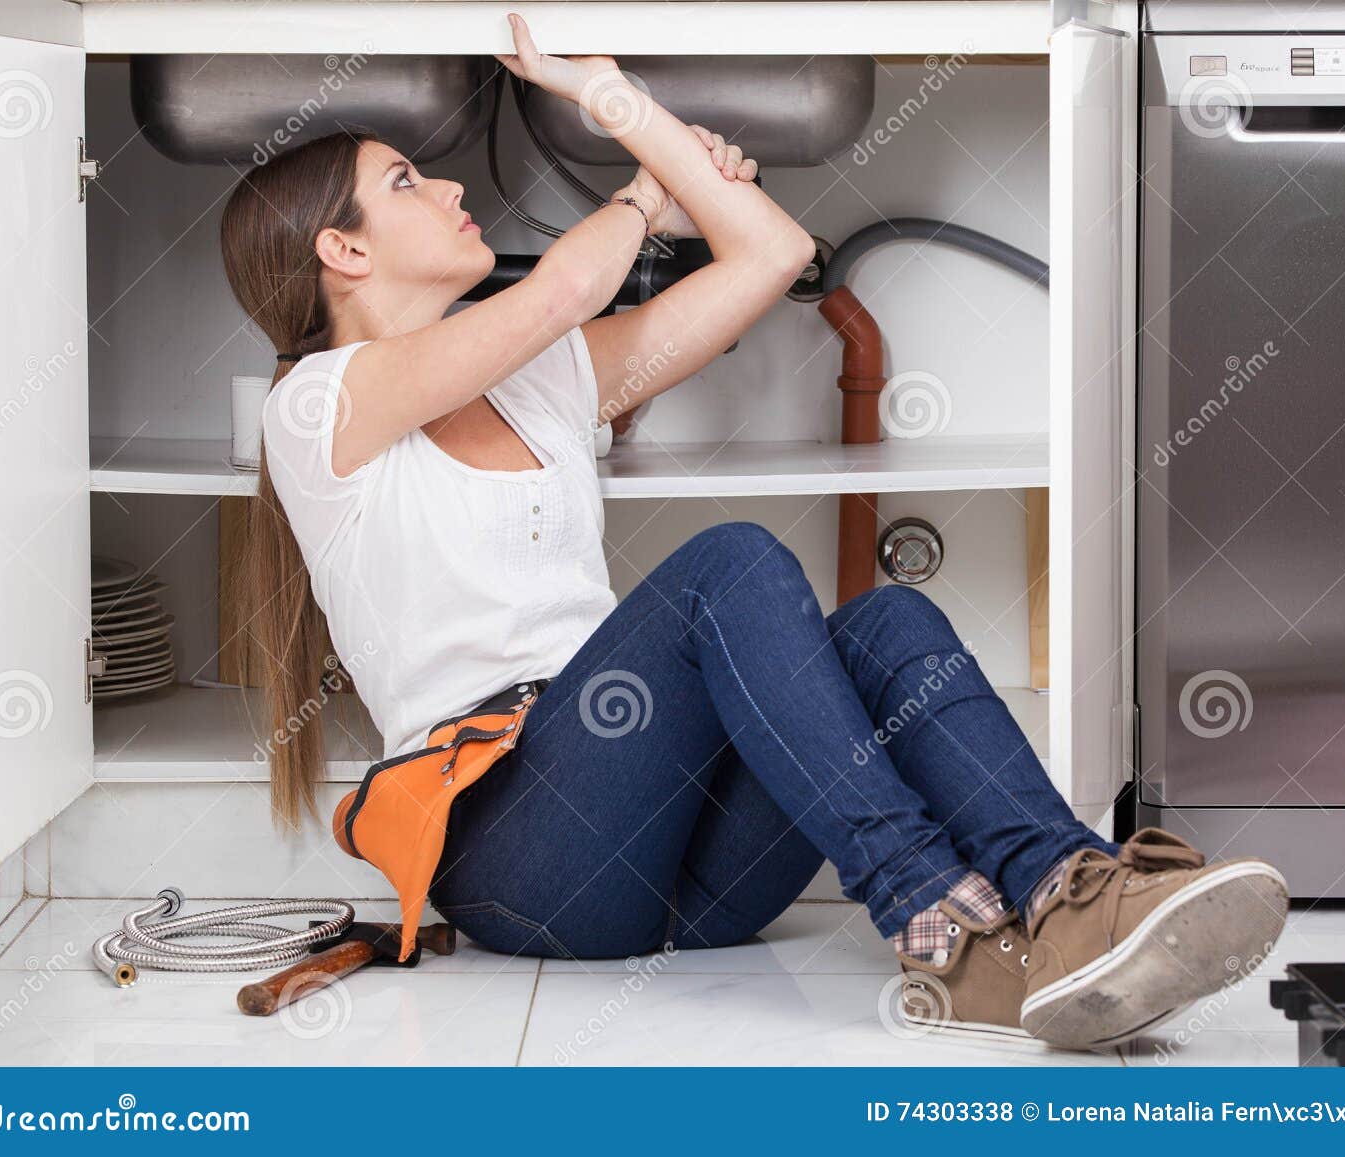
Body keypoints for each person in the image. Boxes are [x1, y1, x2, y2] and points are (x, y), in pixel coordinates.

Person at [219, 12, 1288, 1050]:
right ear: (341, 250)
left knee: (887, 625)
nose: (452, 188)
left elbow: (770, 252)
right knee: (727, 565)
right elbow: (558, 292)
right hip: (523, 862)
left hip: (683, 868)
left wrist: (627, 111)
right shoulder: (314, 406)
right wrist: (643, 180)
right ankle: (941, 925)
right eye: (408, 181)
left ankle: (1072, 890)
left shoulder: (540, 384)